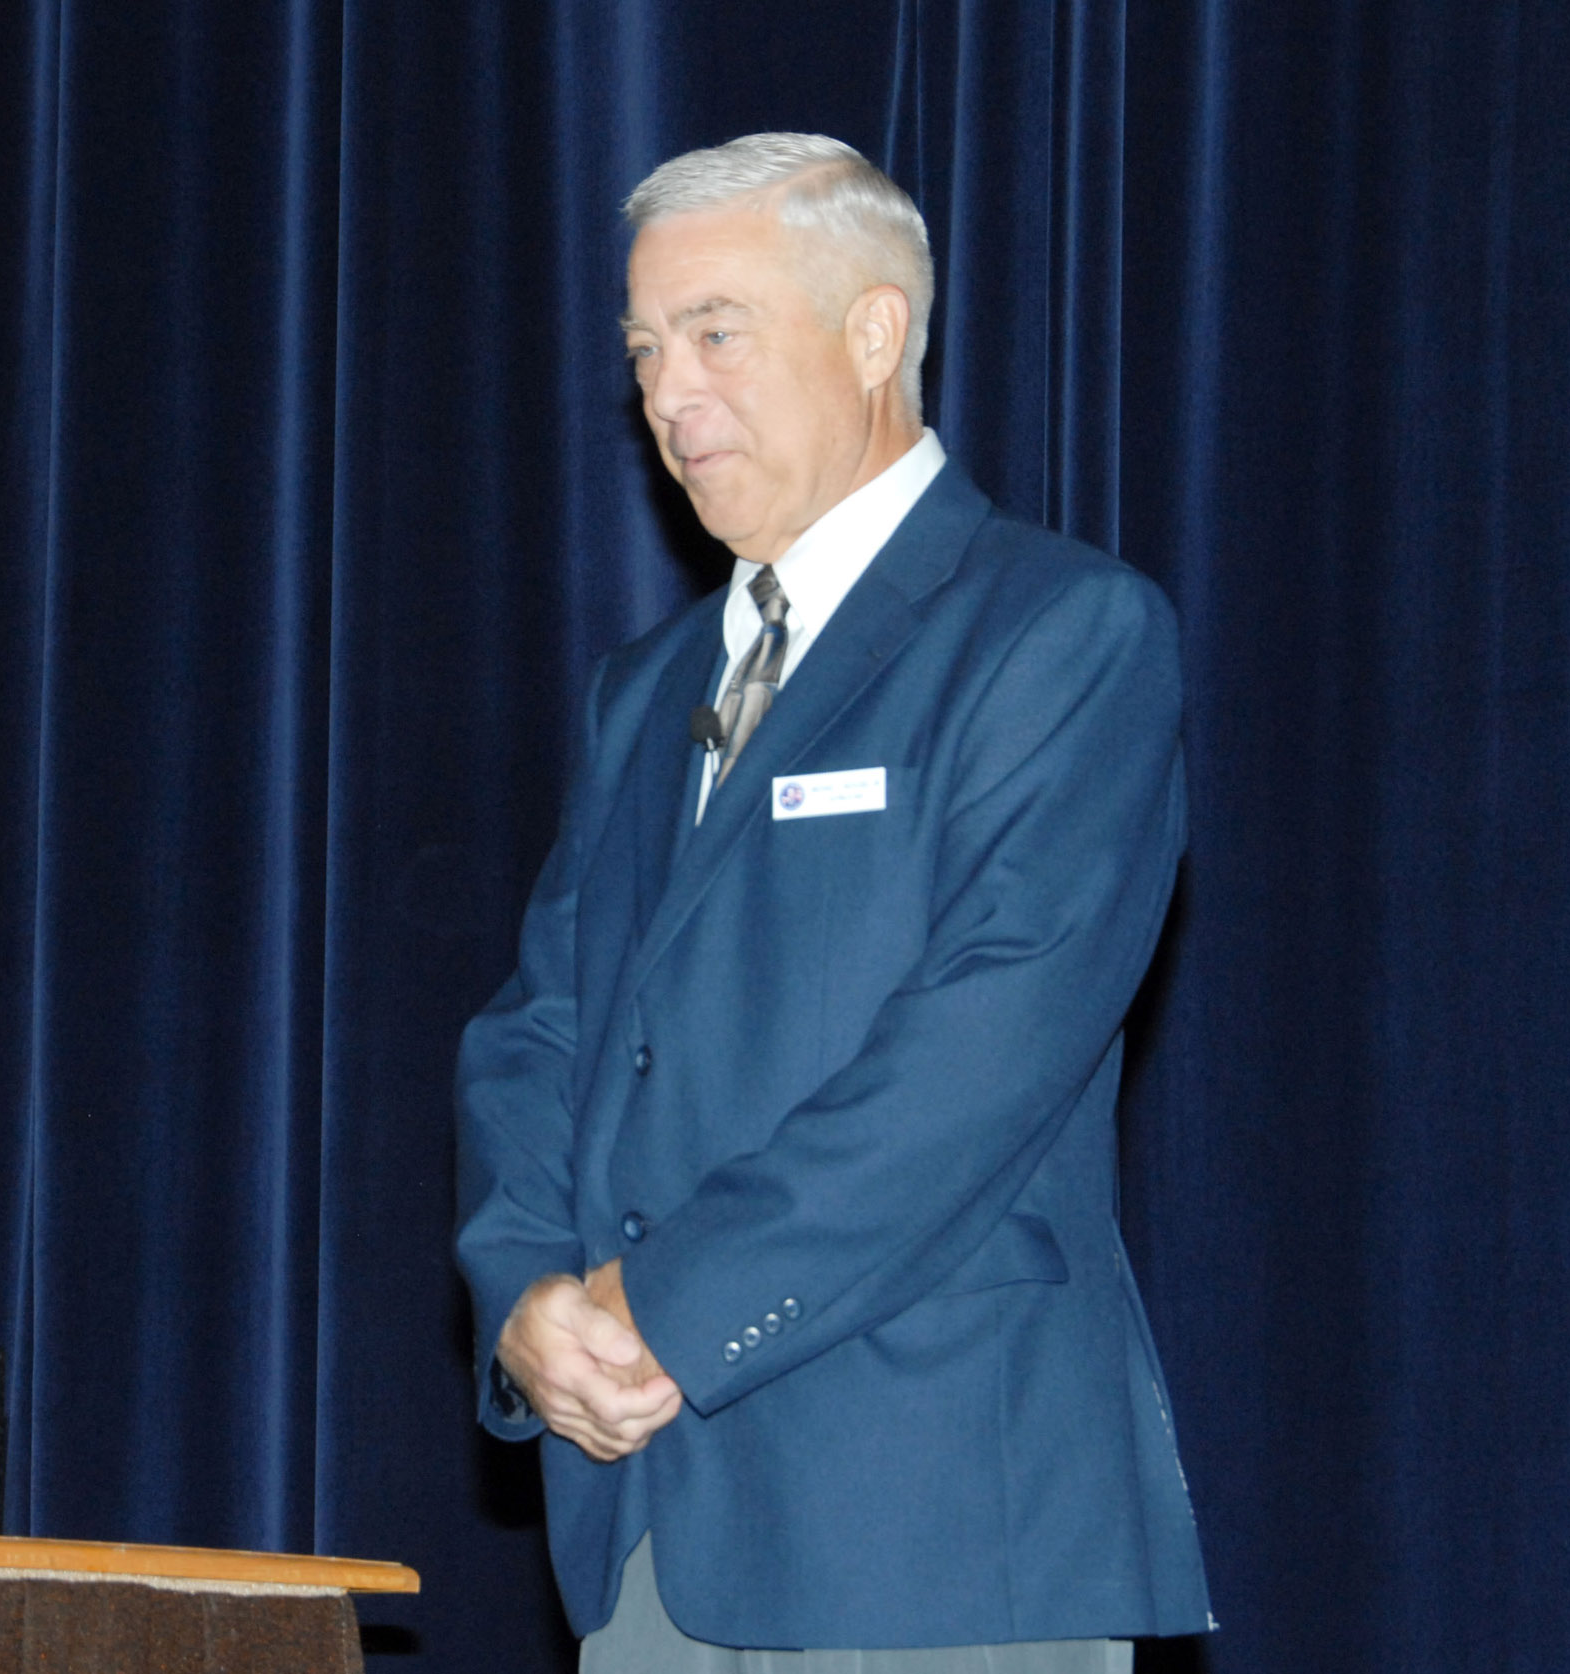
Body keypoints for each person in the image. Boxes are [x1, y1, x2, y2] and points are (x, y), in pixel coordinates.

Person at [454, 134, 1212, 1670]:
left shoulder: (1061, 633)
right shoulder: (645, 688)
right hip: (648, 1528)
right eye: (644, 350)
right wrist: (526, 1294)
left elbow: (974, 1062)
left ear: (875, 332)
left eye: (715, 332)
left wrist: (664, 1304)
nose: (667, 394)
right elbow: (543, 1029)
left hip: (932, 1527)